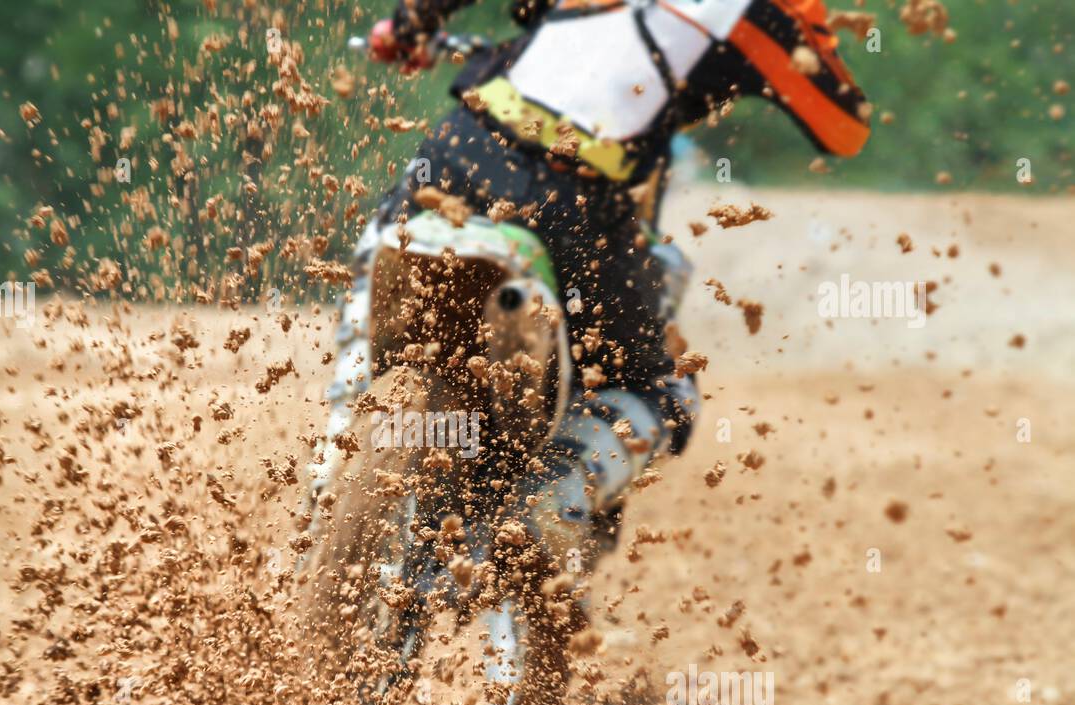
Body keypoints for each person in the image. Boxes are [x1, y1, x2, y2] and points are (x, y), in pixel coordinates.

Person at [311, 0, 871, 571]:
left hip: (460, 153)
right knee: (660, 392)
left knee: (381, 255)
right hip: (574, 205)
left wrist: (407, 29)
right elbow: (844, 128)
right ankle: (548, 503)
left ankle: (333, 462)